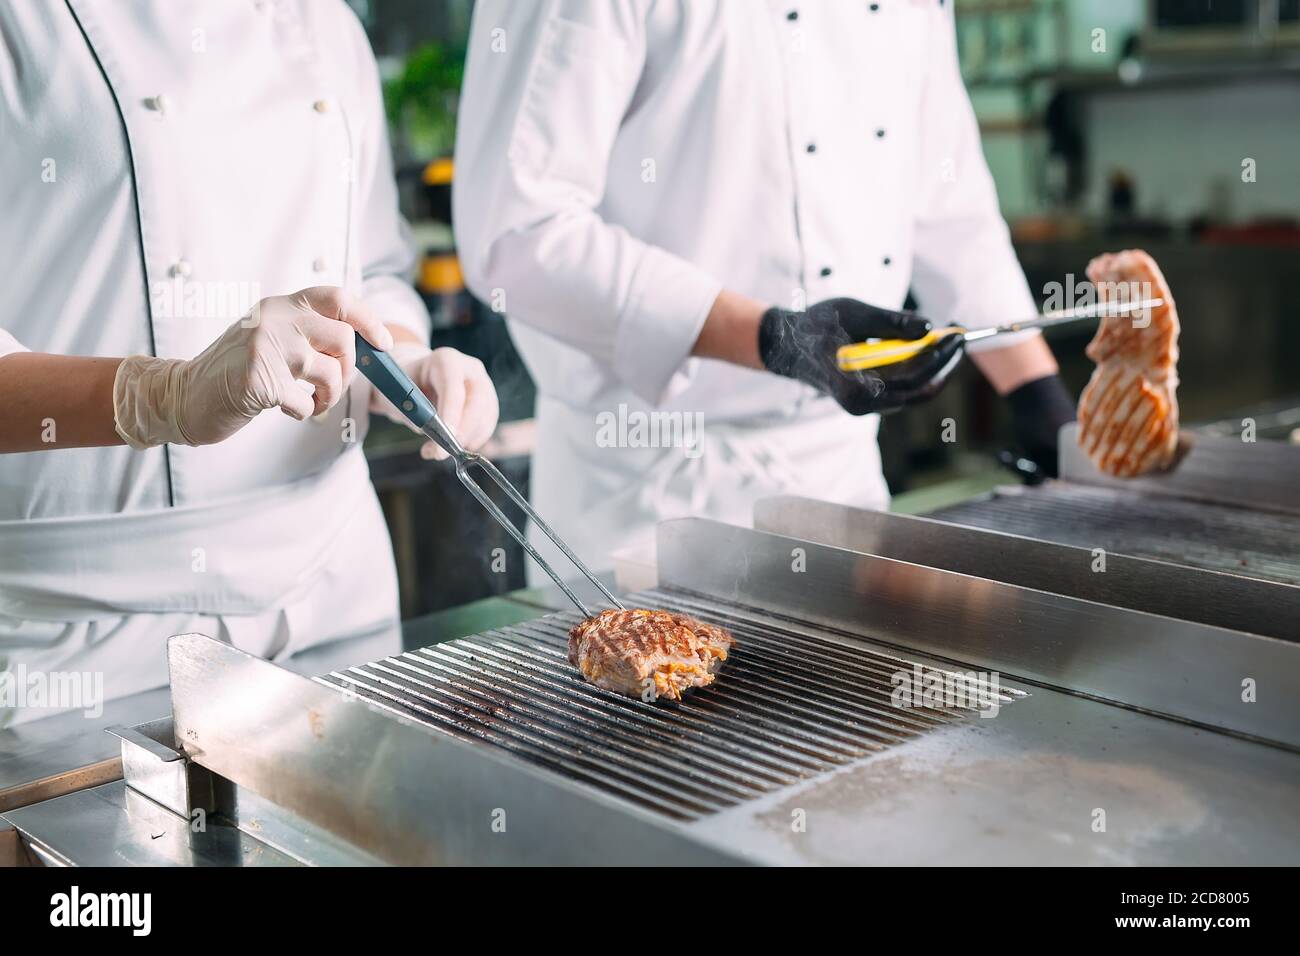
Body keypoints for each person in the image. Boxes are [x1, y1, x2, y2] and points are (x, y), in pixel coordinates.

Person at [454, 0, 1076, 582]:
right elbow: (514, 233)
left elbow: (947, 202)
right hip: (651, 493)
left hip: (842, 481)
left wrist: (1035, 394)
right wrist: (773, 339)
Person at [0, 1, 498, 725]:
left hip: (337, 585)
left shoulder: (324, 21)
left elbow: (376, 266)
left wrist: (405, 361)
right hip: (84, 636)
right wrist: (164, 397)